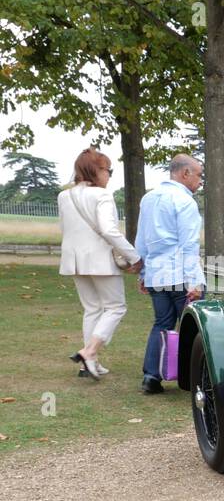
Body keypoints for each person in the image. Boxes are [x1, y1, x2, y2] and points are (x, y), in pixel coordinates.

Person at [57, 148, 142, 380]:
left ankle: (89, 363)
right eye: (108, 170)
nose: (109, 175)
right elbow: (108, 230)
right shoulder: (102, 195)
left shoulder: (64, 196)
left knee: (92, 308)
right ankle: (90, 352)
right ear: (96, 170)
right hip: (101, 260)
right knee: (116, 307)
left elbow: (64, 230)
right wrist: (134, 257)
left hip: (74, 260)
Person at [135, 154, 205, 394]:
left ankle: (151, 376)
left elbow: (141, 240)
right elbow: (189, 245)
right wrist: (195, 281)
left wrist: (143, 272)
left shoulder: (148, 198)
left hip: (156, 273)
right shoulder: (184, 202)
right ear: (185, 173)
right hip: (180, 275)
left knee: (161, 324)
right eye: (199, 175)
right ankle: (195, 377)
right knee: (194, 327)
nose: (200, 181)